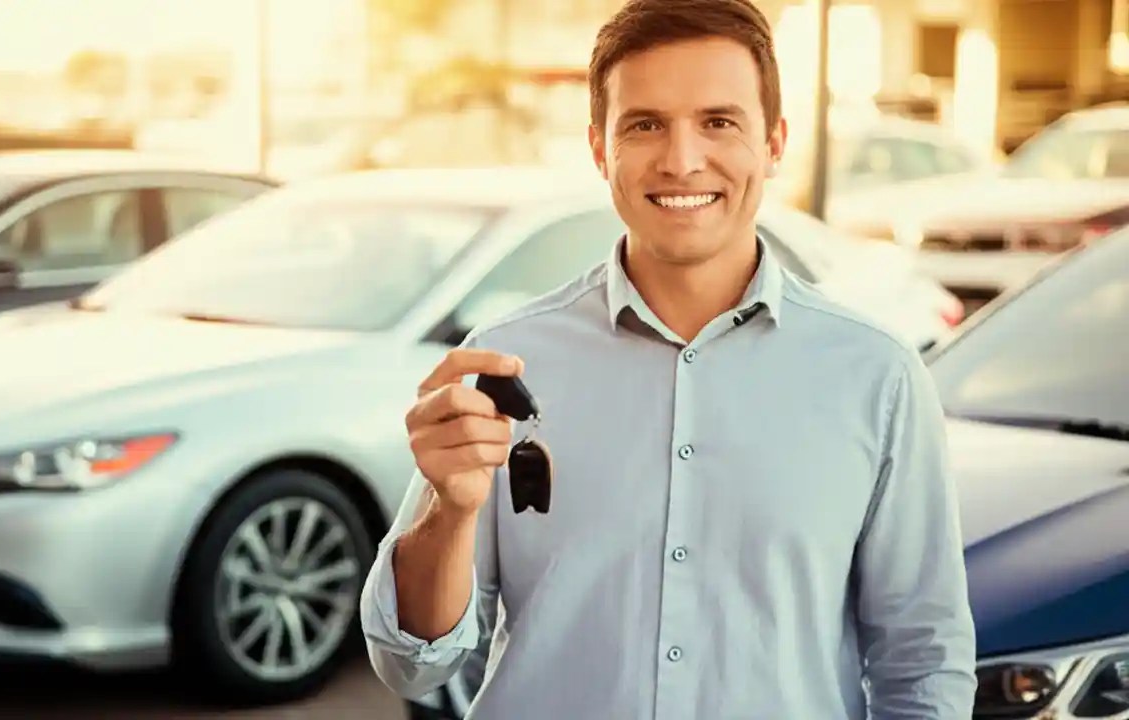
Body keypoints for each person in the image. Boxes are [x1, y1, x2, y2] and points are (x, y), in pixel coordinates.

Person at [359, 0, 978, 716]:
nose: (682, 160)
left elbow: (923, 660)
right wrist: (449, 510)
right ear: (600, 148)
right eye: (645, 124)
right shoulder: (507, 364)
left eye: (719, 122)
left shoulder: (878, 376)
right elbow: (411, 668)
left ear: (775, 143)